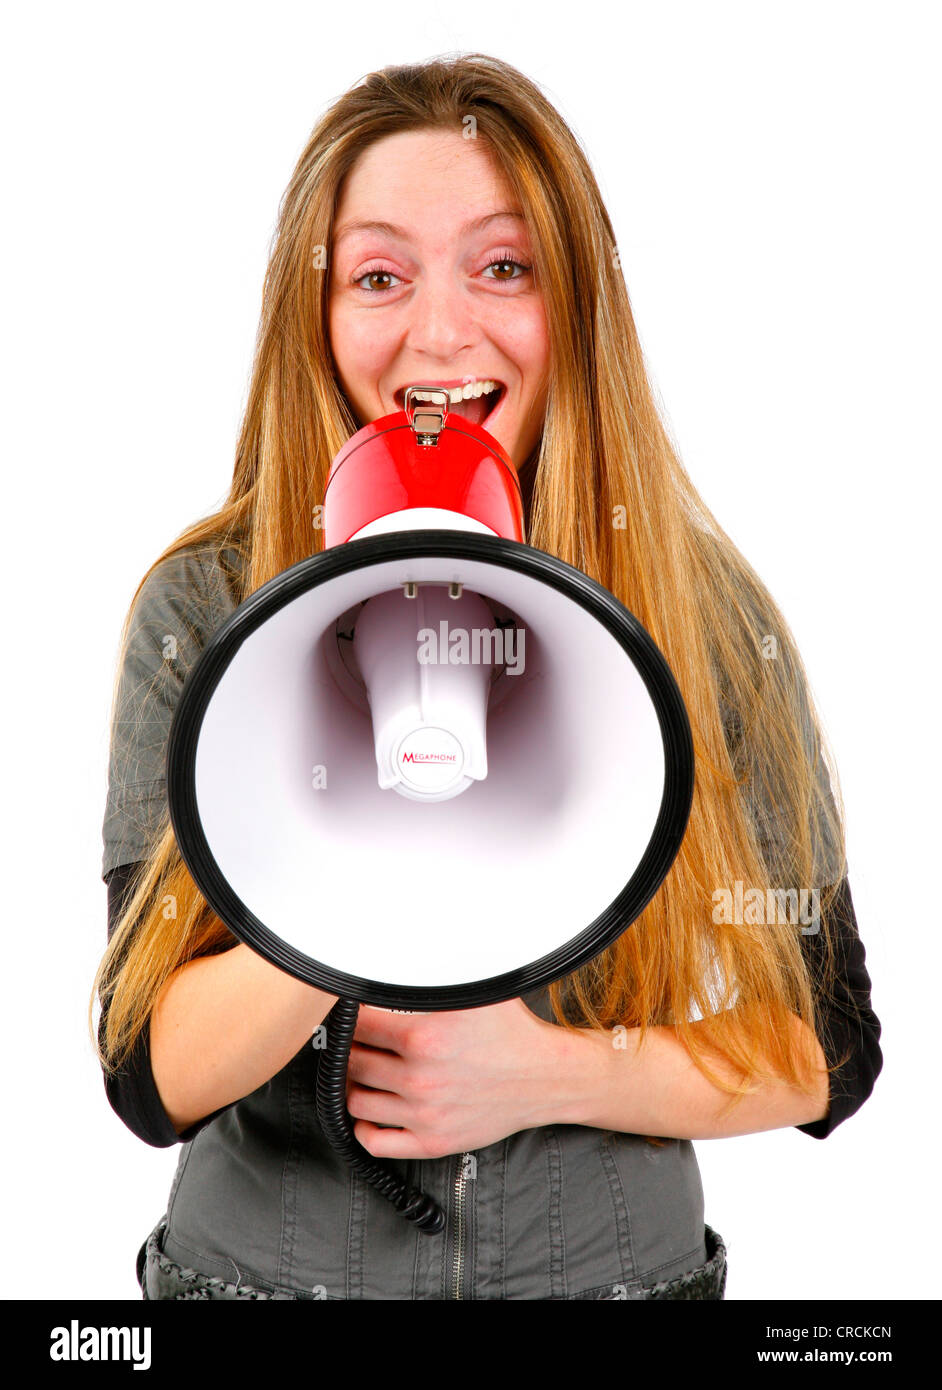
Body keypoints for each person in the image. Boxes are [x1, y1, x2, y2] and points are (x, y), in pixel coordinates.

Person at [92, 53, 882, 1302]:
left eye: (503, 266)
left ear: (576, 302)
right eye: (379, 275)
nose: (440, 331)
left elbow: (827, 1047)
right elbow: (146, 1074)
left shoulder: (707, 616)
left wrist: (555, 1071)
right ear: (316, 313)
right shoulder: (204, 604)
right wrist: (352, 850)